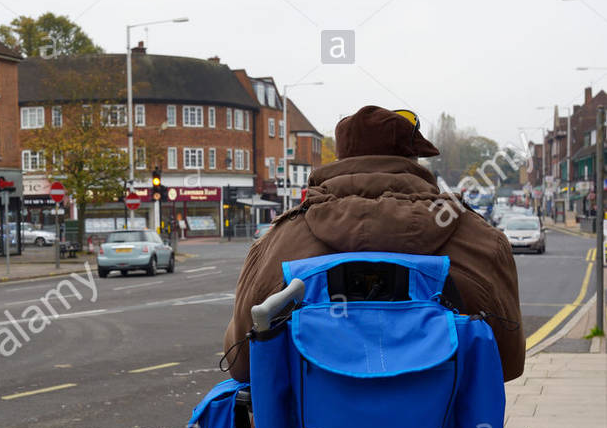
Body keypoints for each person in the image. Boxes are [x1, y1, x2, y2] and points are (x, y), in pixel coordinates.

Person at [224, 104, 525, 384]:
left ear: (342, 160)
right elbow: (509, 363)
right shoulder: (481, 239)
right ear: (413, 161)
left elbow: (240, 365)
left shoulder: (277, 243)